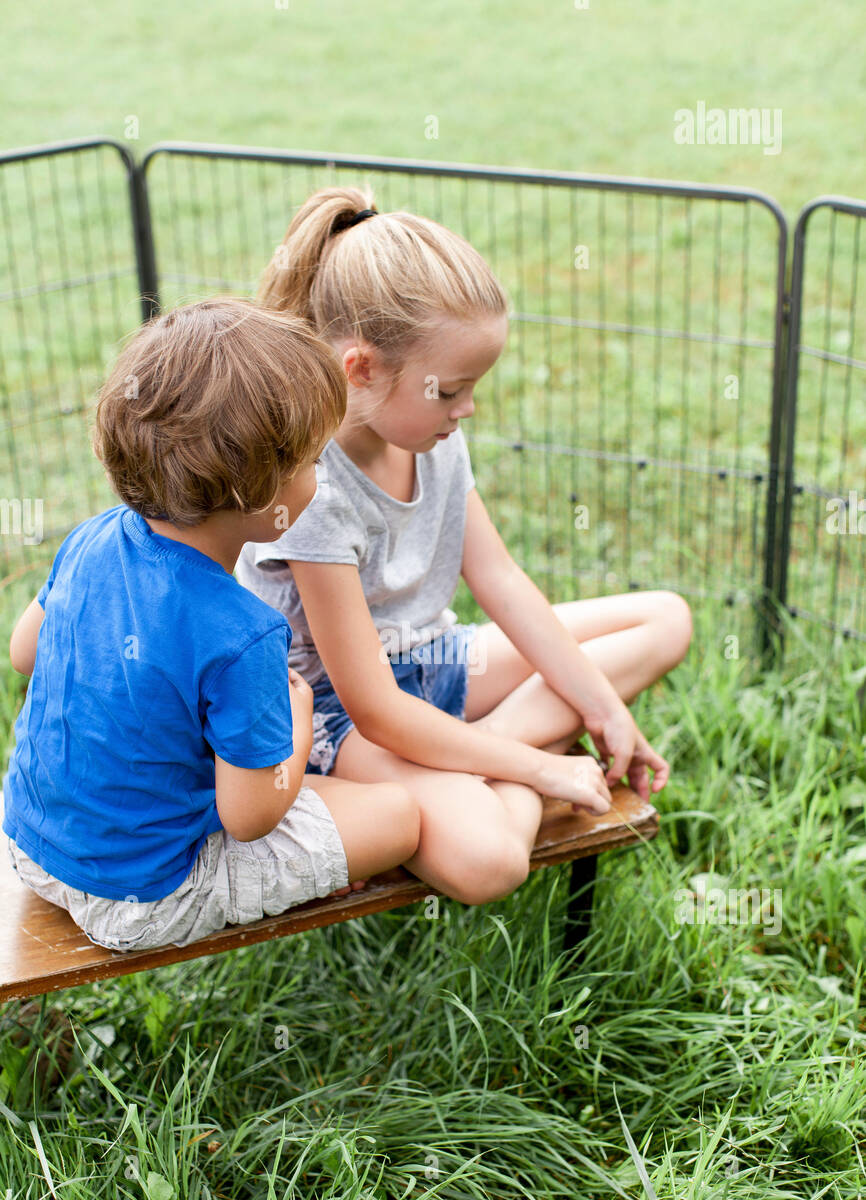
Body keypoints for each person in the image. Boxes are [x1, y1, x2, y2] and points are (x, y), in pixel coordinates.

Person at [236, 190, 693, 906]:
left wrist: (603, 709)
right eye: (450, 390)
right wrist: (536, 767)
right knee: (491, 863)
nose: (468, 408)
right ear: (360, 369)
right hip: (340, 717)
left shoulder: (432, 433)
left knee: (665, 619)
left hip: (433, 660)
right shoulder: (312, 487)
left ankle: (476, 758)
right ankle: (500, 758)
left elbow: (500, 580)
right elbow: (373, 706)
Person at [3, 298, 420, 952]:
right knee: (399, 816)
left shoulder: (91, 539)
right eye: (312, 462)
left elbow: (24, 651)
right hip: (146, 899)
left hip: (29, 845)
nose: (320, 476)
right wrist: (299, 722)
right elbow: (249, 817)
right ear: (260, 492)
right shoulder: (243, 633)